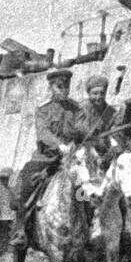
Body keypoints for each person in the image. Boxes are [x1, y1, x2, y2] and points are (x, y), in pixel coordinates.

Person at [8, 69, 84, 249]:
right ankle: (21, 229)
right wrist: (60, 145)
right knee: (27, 182)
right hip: (46, 158)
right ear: (51, 87)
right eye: (59, 86)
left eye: (66, 86)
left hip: (72, 159)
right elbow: (43, 133)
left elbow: (82, 130)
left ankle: (87, 225)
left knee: (86, 187)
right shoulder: (43, 110)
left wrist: (79, 142)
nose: (64, 90)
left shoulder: (77, 109)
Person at [79, 75, 121, 156]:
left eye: (102, 93)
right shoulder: (81, 109)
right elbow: (78, 130)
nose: (99, 97)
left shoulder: (111, 112)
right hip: (82, 149)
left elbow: (115, 132)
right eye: (95, 93)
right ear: (89, 94)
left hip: (103, 150)